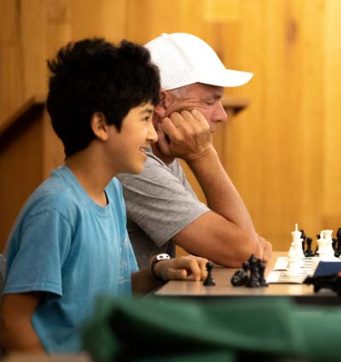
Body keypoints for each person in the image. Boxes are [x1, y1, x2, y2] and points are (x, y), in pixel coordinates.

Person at [0, 38, 208, 353]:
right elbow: (12, 321)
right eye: (144, 118)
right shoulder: (57, 208)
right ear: (101, 125)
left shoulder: (111, 191)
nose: (153, 134)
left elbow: (114, 289)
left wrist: (155, 272)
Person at [117, 33, 272, 268]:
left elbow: (224, 245)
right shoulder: (133, 164)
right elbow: (244, 252)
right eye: (210, 102)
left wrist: (238, 242)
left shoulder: (164, 156)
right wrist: (203, 155)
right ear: (161, 102)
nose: (221, 116)